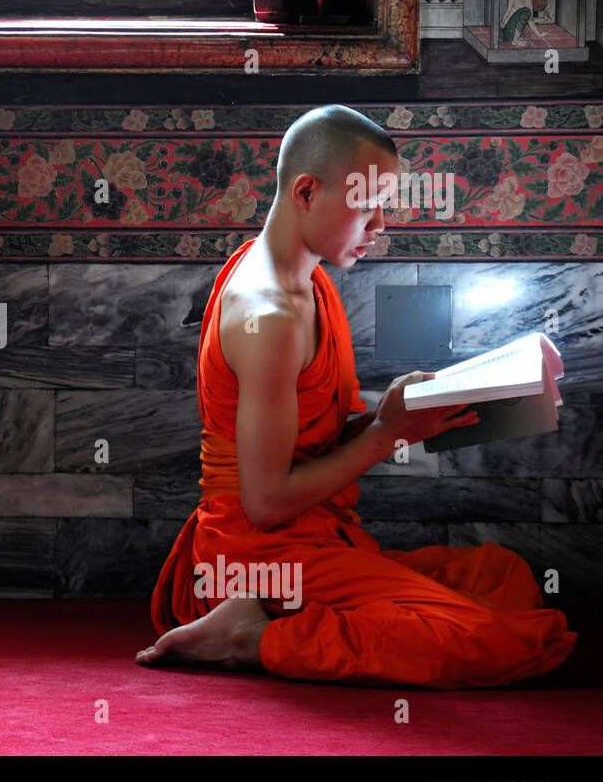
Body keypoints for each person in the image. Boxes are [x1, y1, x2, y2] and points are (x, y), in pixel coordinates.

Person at [137, 105, 577, 688]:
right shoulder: (268, 317)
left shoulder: (309, 279)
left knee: (506, 579)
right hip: (256, 553)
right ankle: (254, 634)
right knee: (488, 641)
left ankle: (278, 616)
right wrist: (388, 435)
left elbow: (308, 443)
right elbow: (266, 503)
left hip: (311, 534)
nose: (379, 226)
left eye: (384, 207)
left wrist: (410, 413)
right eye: (367, 205)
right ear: (306, 191)